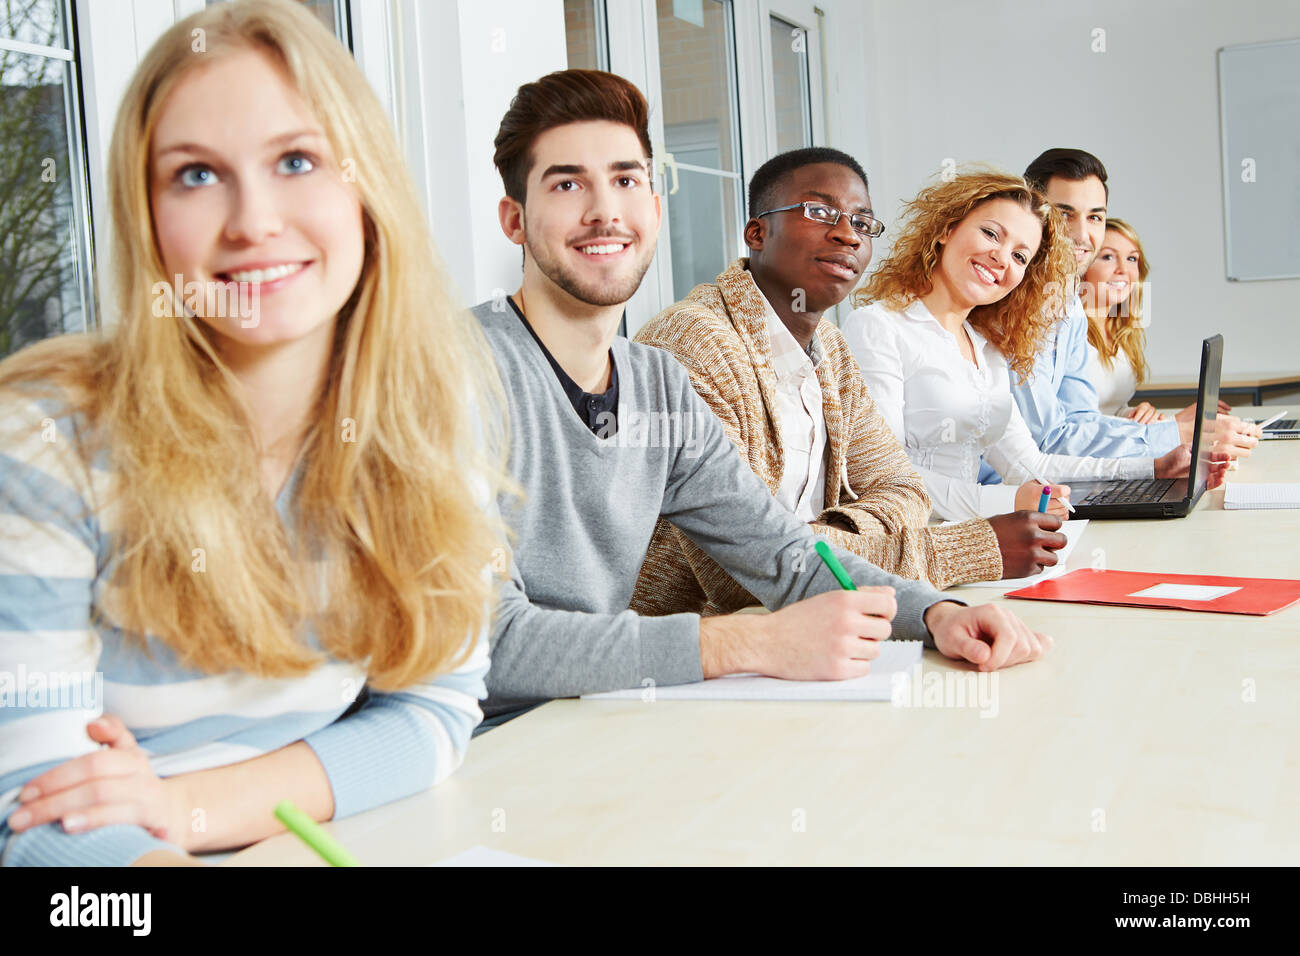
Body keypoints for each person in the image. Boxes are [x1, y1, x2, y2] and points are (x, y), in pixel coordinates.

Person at [0, 0, 500, 865]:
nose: (253, 222)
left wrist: (182, 802)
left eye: (297, 160)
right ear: (145, 217)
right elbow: (34, 815)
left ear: (364, 186)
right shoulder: (45, 441)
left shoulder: (426, 416)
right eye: (196, 175)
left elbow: (435, 710)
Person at [474, 70, 1054, 728]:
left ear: (655, 210)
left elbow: (782, 556)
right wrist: (748, 643)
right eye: (568, 182)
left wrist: (937, 615)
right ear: (514, 220)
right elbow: (483, 642)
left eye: (627, 179)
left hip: (597, 719)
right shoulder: (455, 372)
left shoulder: (654, 383)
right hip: (486, 749)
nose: (605, 209)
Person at [628, 147, 1065, 625]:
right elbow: (742, 575)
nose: (846, 234)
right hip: (687, 648)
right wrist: (960, 550)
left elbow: (904, 490)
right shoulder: (695, 341)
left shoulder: (829, 348)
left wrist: (810, 538)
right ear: (757, 232)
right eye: (819, 212)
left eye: (862, 223)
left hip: (807, 624)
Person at [841, 169, 1229, 522]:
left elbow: (1029, 464)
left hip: (976, 537)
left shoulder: (986, 349)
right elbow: (884, 475)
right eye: (991, 234)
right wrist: (1006, 503)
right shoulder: (878, 327)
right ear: (947, 229)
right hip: (911, 544)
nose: (1000, 257)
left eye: (1019, 256)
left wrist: (1152, 468)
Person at [1012, 148, 1256, 460]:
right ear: (1034, 213)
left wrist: (1158, 460)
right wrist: (1174, 432)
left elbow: (1079, 422)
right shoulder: (1015, 304)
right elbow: (1048, 440)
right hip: (995, 493)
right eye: (1064, 215)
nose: (1082, 234)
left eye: (1095, 217)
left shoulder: (1069, 307)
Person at [1080, 218, 1230, 423]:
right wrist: (1172, 424)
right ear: (1082, 265)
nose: (1123, 269)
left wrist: (1140, 416)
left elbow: (1110, 409)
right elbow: (1080, 423)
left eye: (1132, 259)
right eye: (1108, 257)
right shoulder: (1071, 331)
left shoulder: (1121, 330)